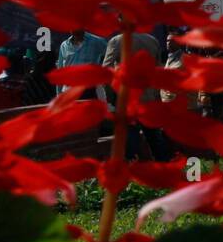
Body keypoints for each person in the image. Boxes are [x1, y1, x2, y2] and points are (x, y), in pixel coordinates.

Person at [103, 30, 173, 160]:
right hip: (149, 96)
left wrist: (110, 98)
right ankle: (164, 167)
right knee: (154, 138)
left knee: (129, 136)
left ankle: (132, 169)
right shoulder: (152, 40)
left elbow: (106, 71)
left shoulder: (116, 41)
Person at [55, 29, 107, 94]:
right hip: (69, 90)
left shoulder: (96, 42)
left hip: (89, 89)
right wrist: (59, 94)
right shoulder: (64, 45)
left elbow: (110, 56)